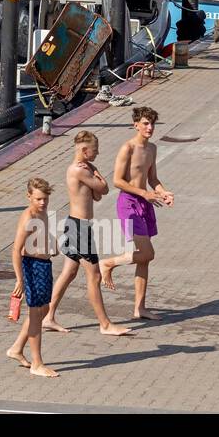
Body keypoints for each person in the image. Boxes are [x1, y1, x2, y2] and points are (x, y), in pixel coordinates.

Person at [43, 131, 134, 336]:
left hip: (77, 226)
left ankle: (48, 317)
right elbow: (104, 189)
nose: (98, 154)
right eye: (95, 151)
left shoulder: (86, 169)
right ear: (84, 150)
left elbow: (97, 196)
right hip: (79, 228)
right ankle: (105, 324)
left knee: (69, 273)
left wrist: (95, 173)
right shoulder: (78, 170)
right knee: (94, 276)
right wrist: (98, 174)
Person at [101, 106, 174, 320]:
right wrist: (144, 193)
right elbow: (117, 180)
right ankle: (108, 263)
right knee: (147, 252)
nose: (149, 127)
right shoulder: (128, 148)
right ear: (136, 125)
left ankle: (139, 308)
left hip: (146, 203)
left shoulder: (152, 148)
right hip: (128, 203)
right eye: (145, 123)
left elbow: (153, 179)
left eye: (152, 124)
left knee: (144, 259)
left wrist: (163, 193)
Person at [6, 177, 60, 378]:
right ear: (29, 196)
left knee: (44, 308)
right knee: (37, 314)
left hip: (44, 265)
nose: (43, 203)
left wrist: (52, 244)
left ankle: (17, 349)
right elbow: (16, 250)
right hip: (32, 267)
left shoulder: (43, 212)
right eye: (38, 199)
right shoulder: (28, 217)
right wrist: (19, 279)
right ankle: (37, 363)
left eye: (45, 199)